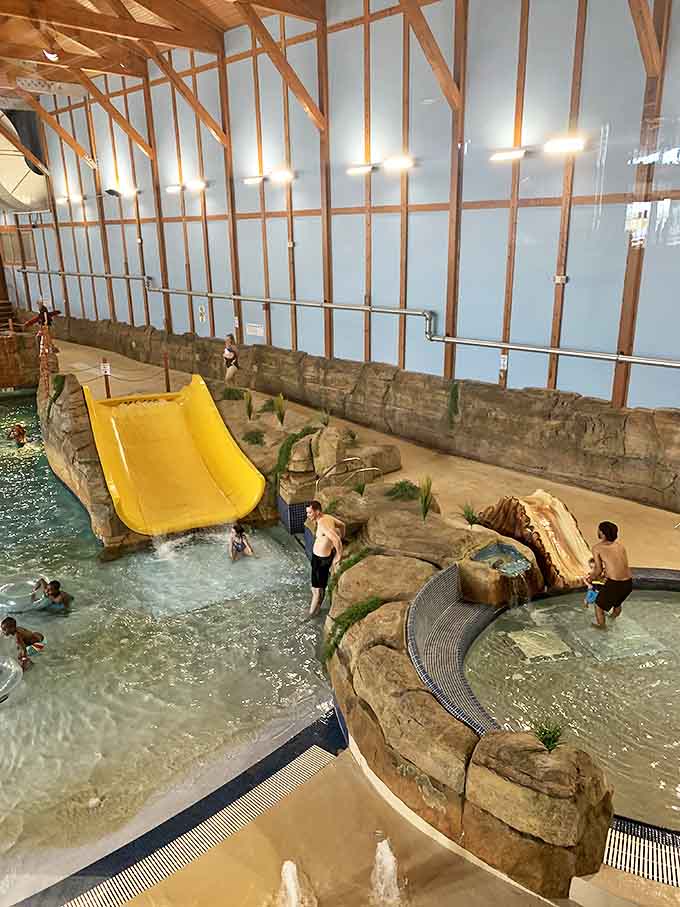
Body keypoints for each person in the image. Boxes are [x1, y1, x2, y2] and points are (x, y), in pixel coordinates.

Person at [590, 521, 633, 629]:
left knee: (598, 606)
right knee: (617, 603)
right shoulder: (620, 546)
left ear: (602, 533)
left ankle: (602, 628)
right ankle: (612, 619)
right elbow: (620, 565)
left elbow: (598, 570)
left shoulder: (597, 548)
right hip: (628, 583)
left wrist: (590, 578)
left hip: (615, 583)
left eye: (599, 530)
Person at [306, 500, 344, 618]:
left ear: (317, 511)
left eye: (310, 513)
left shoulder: (323, 523)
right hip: (320, 558)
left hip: (321, 560)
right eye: (307, 513)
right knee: (318, 587)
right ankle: (317, 608)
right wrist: (343, 536)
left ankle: (310, 616)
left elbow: (336, 539)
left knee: (316, 591)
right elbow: (342, 525)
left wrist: (338, 555)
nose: (308, 515)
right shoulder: (328, 517)